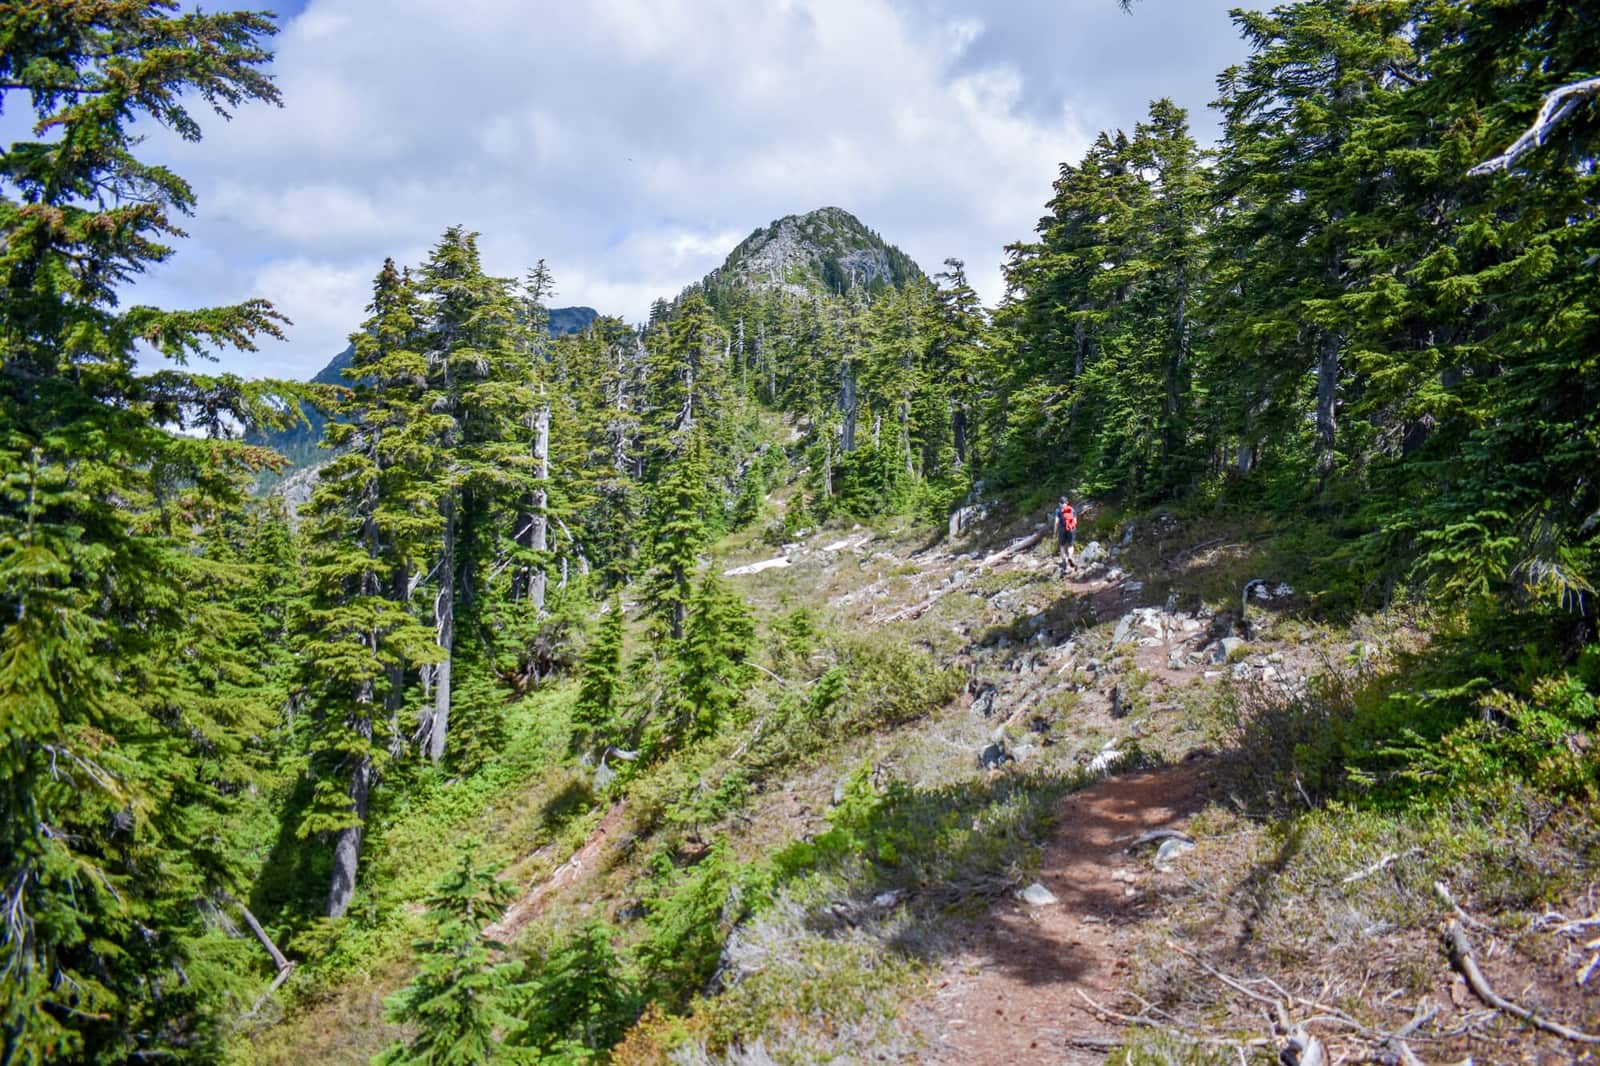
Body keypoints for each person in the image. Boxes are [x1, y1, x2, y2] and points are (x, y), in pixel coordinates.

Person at [1053, 496, 1079, 575]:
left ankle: (1065, 562)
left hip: (1062, 529)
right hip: (1071, 529)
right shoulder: (1071, 509)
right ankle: (1070, 557)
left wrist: (1054, 532)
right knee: (1070, 545)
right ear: (1067, 502)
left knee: (1062, 546)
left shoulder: (1058, 510)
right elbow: (1075, 521)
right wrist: (1072, 528)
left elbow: (1056, 522)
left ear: (1059, 503)